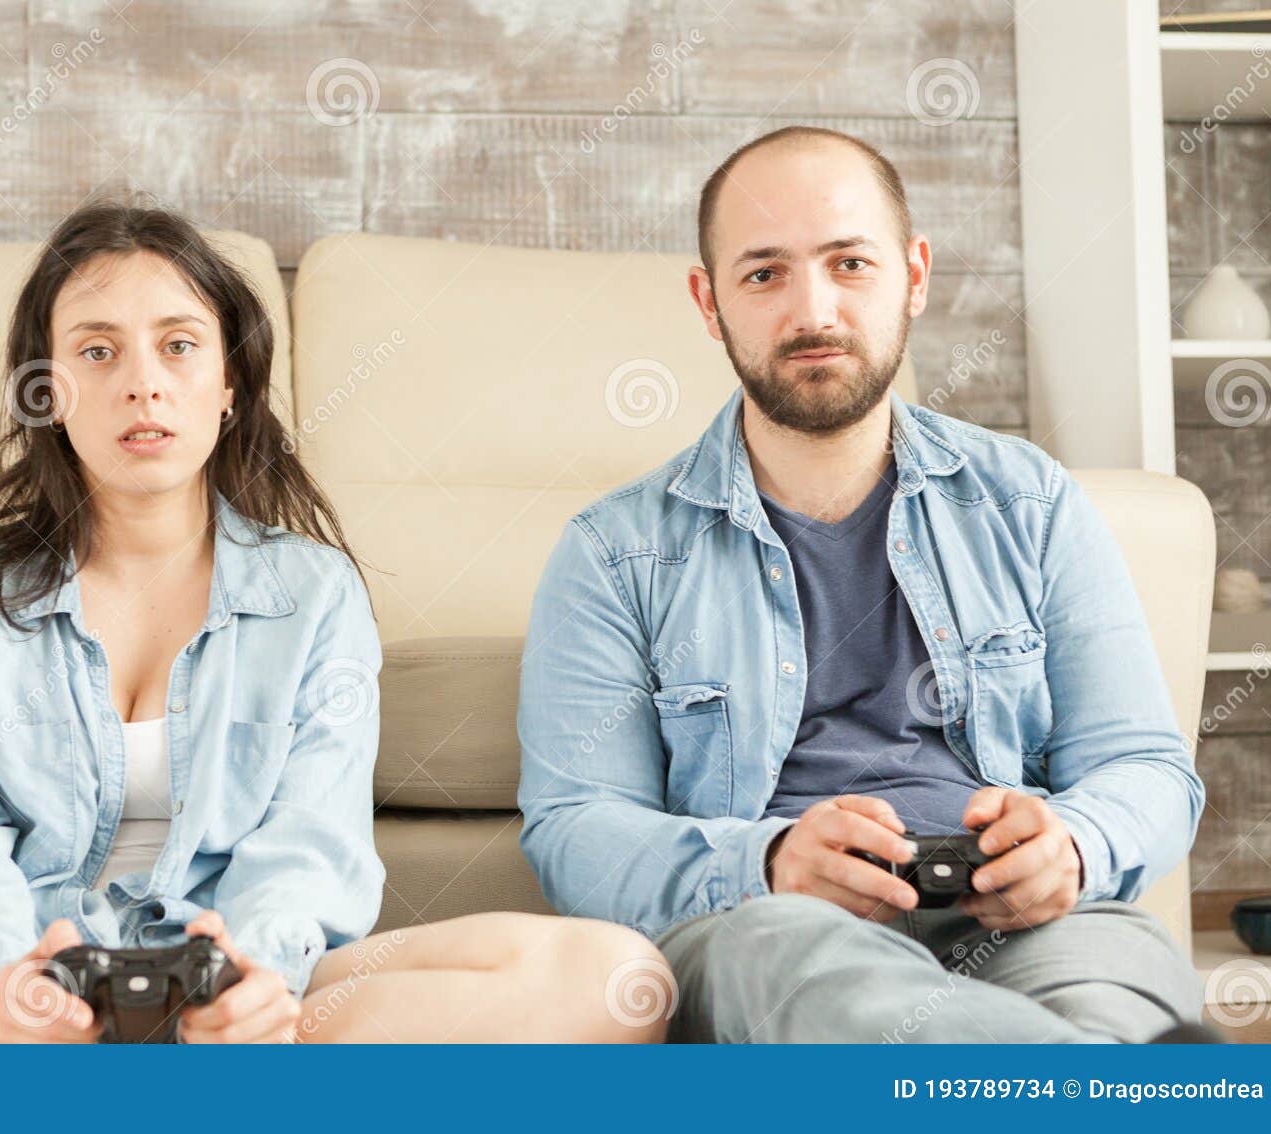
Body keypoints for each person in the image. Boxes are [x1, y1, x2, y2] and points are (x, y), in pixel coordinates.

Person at [0, 200, 664, 1044]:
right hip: (24, 994)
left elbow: (312, 843)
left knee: (615, 979)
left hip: (251, 1004)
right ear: (48, 392)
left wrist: (250, 980)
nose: (143, 383)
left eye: (178, 344)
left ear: (229, 384)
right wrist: (2, 1000)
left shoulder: (314, 592)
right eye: (97, 351)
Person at [517, 127, 1208, 1043]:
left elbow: (1147, 768)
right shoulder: (612, 552)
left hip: (1020, 925)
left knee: (1121, 976)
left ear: (913, 276)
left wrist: (1074, 846)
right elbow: (573, 829)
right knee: (788, 957)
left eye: (850, 263)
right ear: (709, 302)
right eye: (764, 273)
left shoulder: (1032, 503)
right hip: (770, 928)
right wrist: (767, 862)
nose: (813, 312)